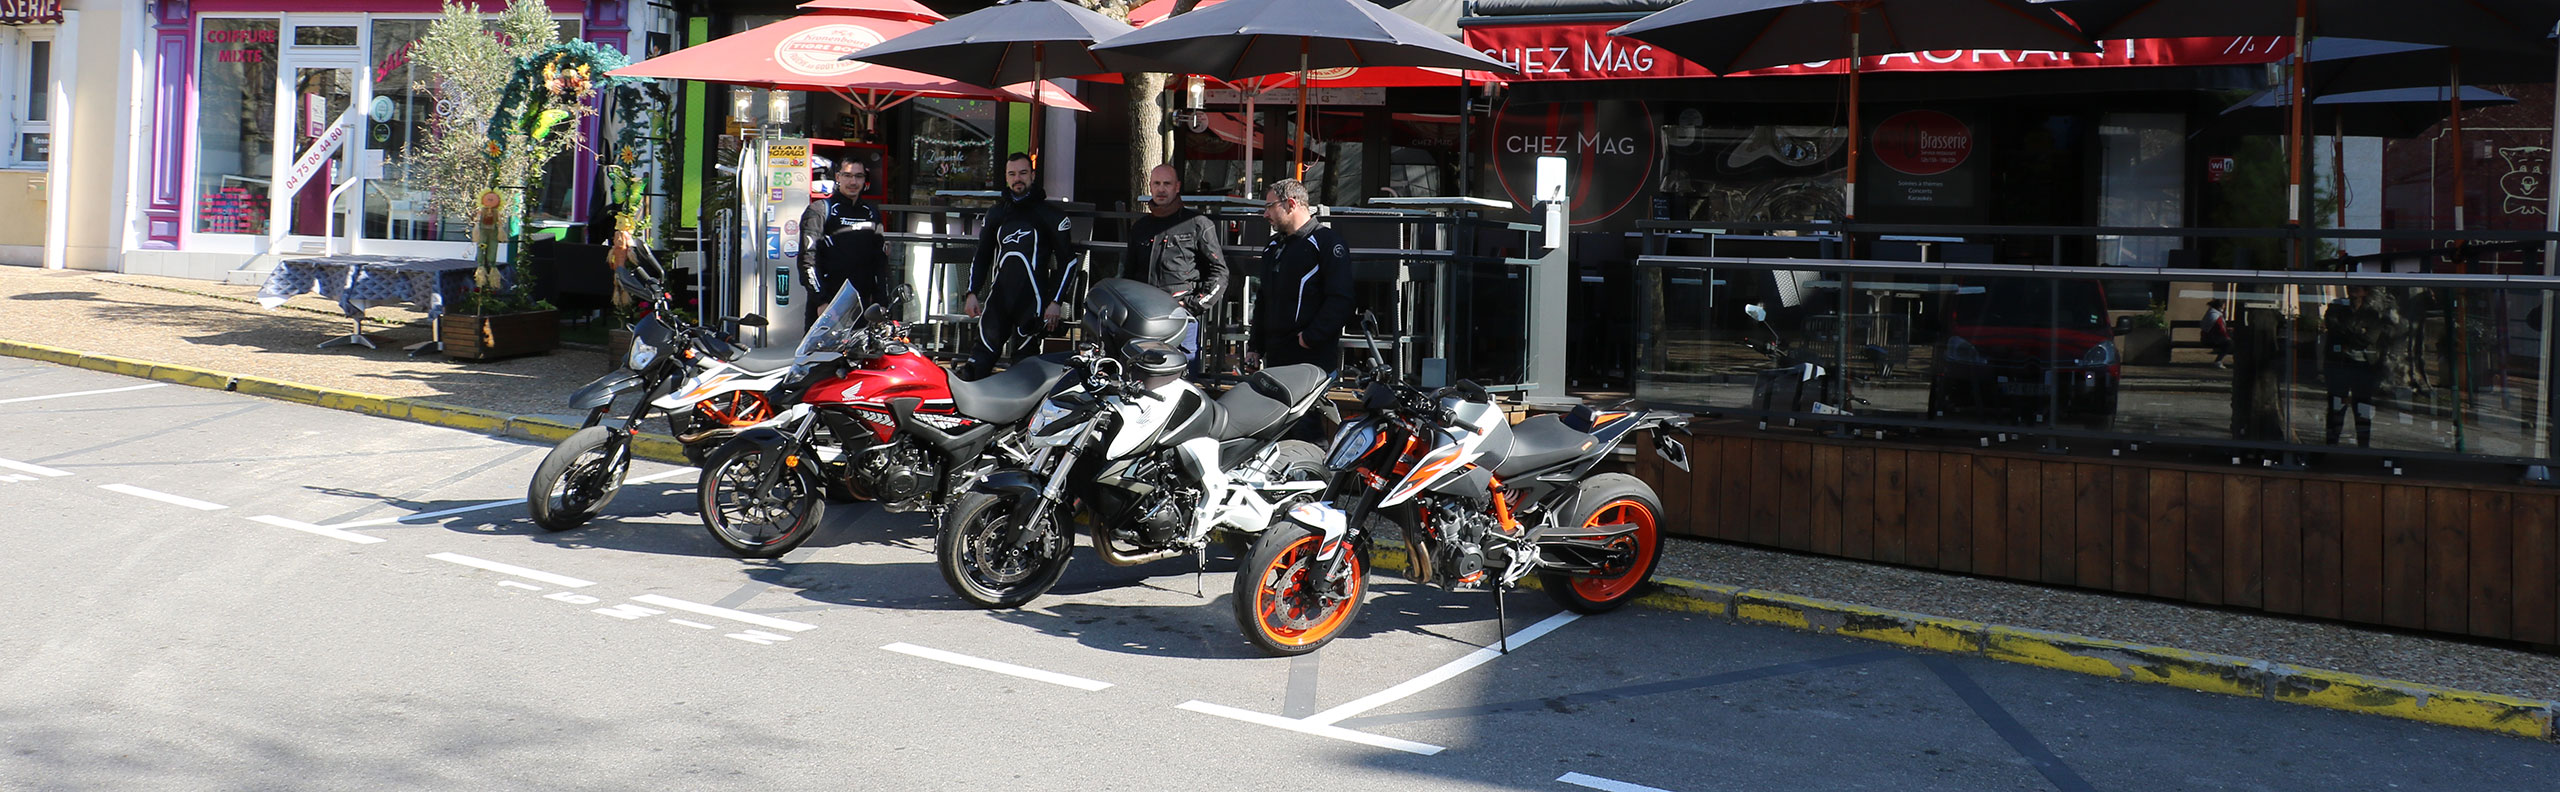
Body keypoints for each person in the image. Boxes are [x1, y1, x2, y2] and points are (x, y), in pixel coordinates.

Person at [961, 152, 1078, 380]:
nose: (1018, 179)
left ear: (1033, 176)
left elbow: (1069, 261)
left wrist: (1056, 302)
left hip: (1033, 304)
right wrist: (972, 292)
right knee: (974, 369)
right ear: (1006, 177)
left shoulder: (1050, 215)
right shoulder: (997, 213)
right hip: (999, 300)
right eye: (1012, 174)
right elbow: (982, 255)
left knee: (1023, 374)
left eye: (1023, 173)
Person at [1126, 163, 1227, 373]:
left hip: (1180, 319)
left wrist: (1192, 305)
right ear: (1150, 186)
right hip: (1144, 319)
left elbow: (1220, 273)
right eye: (1156, 183)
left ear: (1177, 186)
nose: (1161, 189)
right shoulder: (1140, 228)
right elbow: (1127, 275)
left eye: (1167, 183)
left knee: (1183, 380)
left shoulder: (1198, 223)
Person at [1247, 178, 1355, 373]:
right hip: (1275, 354)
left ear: (1291, 204)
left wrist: (1310, 338)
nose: (1265, 214)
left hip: (1311, 357)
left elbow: (1341, 299)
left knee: (1314, 405)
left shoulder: (1327, 242)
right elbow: (1263, 298)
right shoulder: (1273, 245)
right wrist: (1255, 346)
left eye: (1270, 207)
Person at [797, 155, 890, 327]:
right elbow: (807, 260)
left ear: (864, 179)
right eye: (847, 175)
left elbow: (880, 261)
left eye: (859, 176)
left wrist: (882, 302)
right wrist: (821, 301)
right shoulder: (820, 210)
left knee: (863, 354)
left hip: (864, 306)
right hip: (829, 305)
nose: (853, 181)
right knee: (823, 355)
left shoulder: (871, 212)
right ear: (838, 177)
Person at [2324, 285, 2384, 448]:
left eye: (2358, 288)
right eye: (2351, 288)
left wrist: (2348, 336)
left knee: (2362, 407)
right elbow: (2332, 327)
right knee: (2336, 406)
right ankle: (2331, 443)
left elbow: (2369, 338)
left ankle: (2363, 445)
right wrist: (2357, 333)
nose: (2353, 291)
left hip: (2363, 366)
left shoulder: (2372, 314)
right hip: (2339, 364)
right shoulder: (2337, 307)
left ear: (2365, 292)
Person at [2201, 298, 2231, 369]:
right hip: (2212, 339)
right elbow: (2220, 329)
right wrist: (2227, 336)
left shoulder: (2211, 313)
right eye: (2224, 305)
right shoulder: (2216, 315)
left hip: (2207, 337)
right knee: (2230, 343)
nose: (2225, 307)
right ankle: (2218, 361)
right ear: (2220, 306)